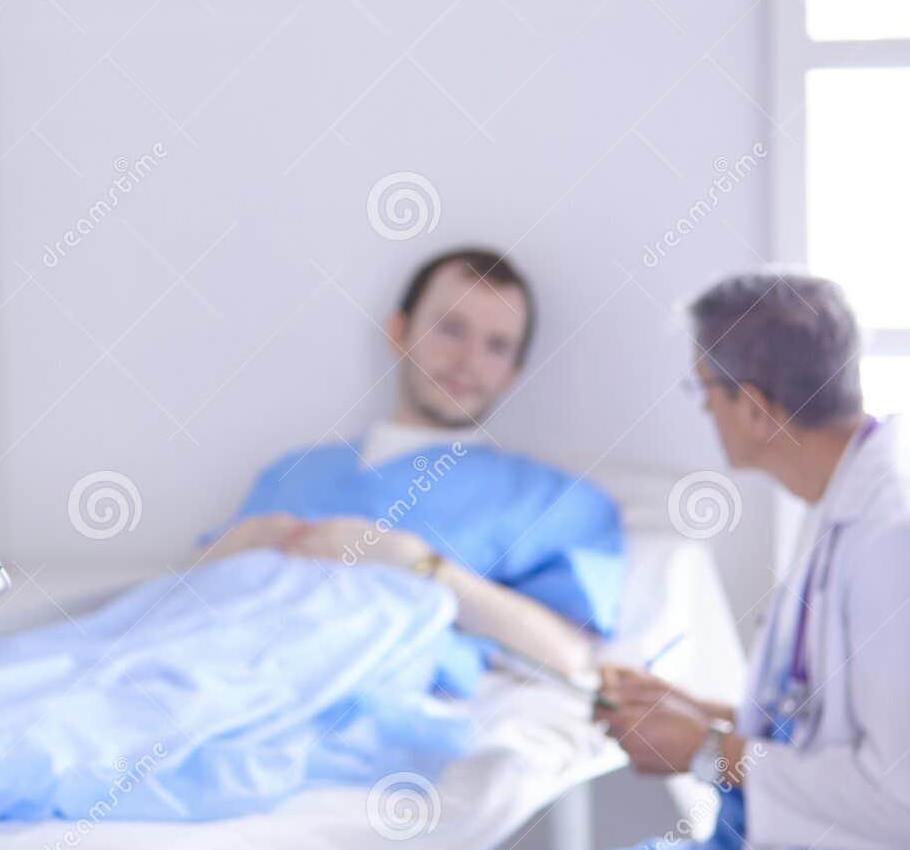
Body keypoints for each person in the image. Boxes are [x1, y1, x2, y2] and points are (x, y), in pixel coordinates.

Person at [585, 271, 910, 850]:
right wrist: (698, 713)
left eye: (705, 388)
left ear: (757, 409)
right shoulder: (846, 497)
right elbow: (829, 717)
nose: (705, 406)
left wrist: (707, 749)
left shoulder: (908, 543)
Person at [197, 247, 624, 675]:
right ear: (399, 331)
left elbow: (572, 659)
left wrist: (416, 564)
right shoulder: (293, 473)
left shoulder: (554, 501)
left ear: (514, 369)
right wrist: (233, 549)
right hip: (212, 666)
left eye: (497, 346)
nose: (468, 361)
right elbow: (181, 606)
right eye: (450, 329)